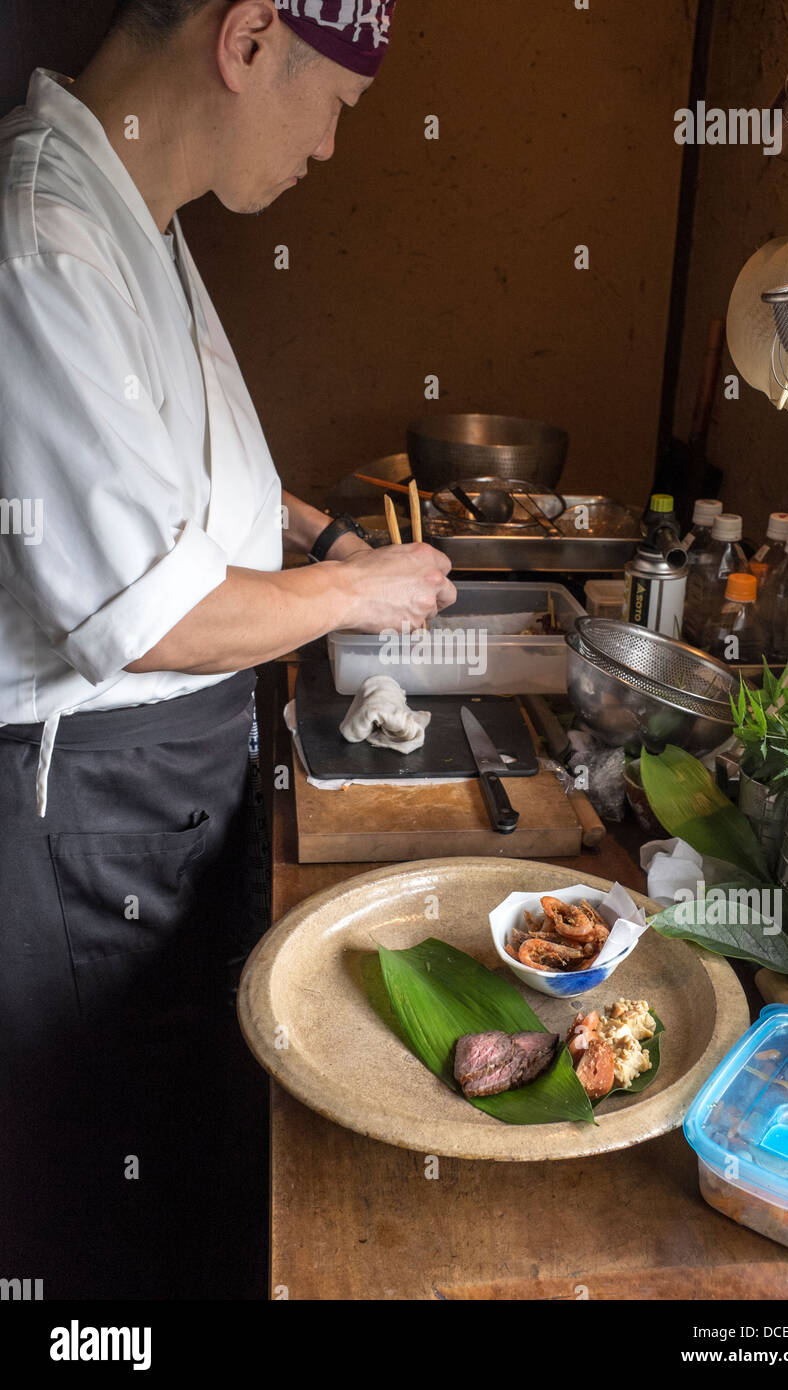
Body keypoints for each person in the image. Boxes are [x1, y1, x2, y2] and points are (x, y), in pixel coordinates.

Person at [0, 0, 455, 1298]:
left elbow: (203, 499)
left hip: (168, 789)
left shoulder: (138, 206)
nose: (325, 149)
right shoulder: (42, 237)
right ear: (250, 40)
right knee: (80, 1168)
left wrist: (324, 541)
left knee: (164, 1139)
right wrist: (356, 598)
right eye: (333, 107)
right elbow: (152, 612)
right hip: (80, 812)